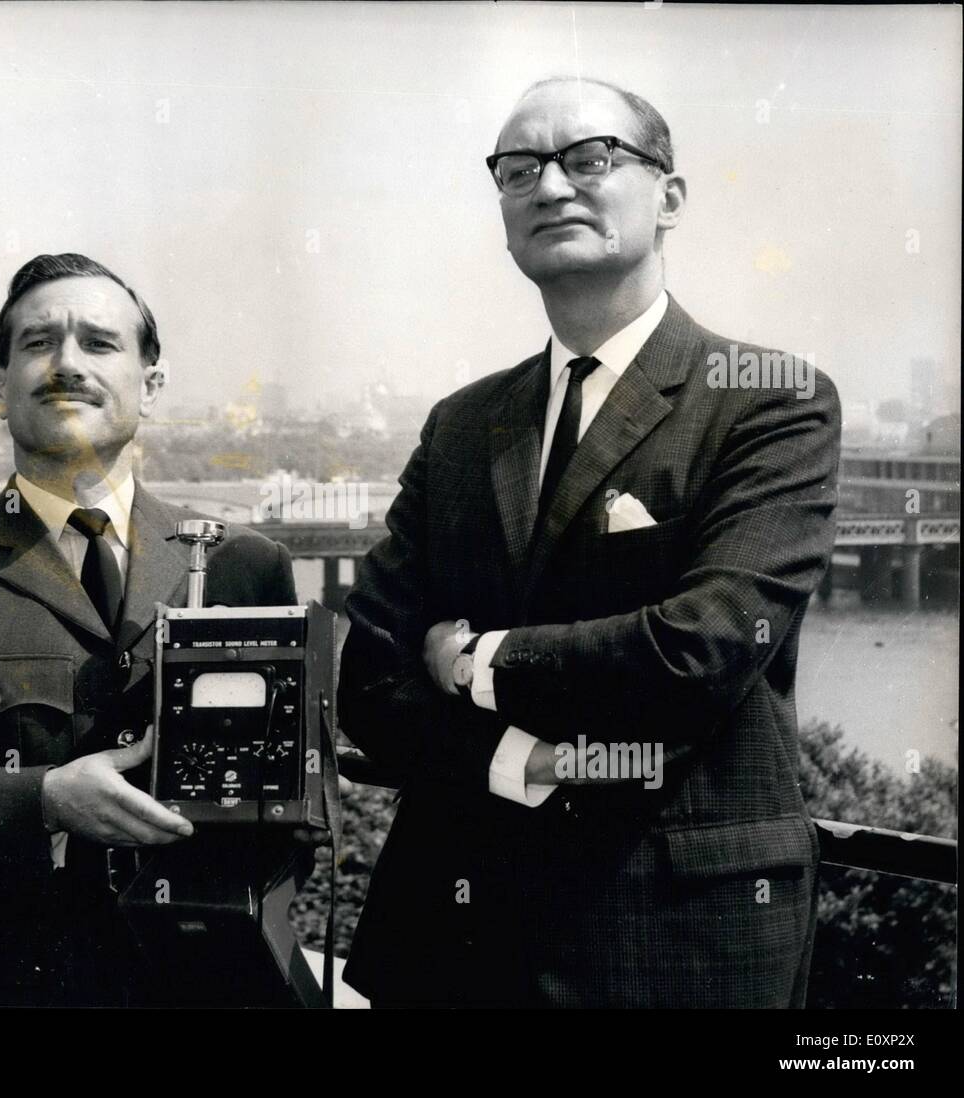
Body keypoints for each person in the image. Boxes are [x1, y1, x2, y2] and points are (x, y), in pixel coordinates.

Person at [337, 77, 841, 1007]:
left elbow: (703, 647)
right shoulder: (463, 426)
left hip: (675, 939)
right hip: (454, 937)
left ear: (671, 196)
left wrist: (477, 663)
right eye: (519, 168)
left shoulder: (770, 400)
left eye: (592, 158)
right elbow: (369, 678)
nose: (552, 186)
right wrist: (509, 761)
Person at [0, 253, 296, 1006]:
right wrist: (42, 800)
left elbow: (289, 806)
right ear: (0, 390)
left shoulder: (246, 566)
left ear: (152, 385)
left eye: (100, 344)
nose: (67, 363)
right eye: (38, 343)